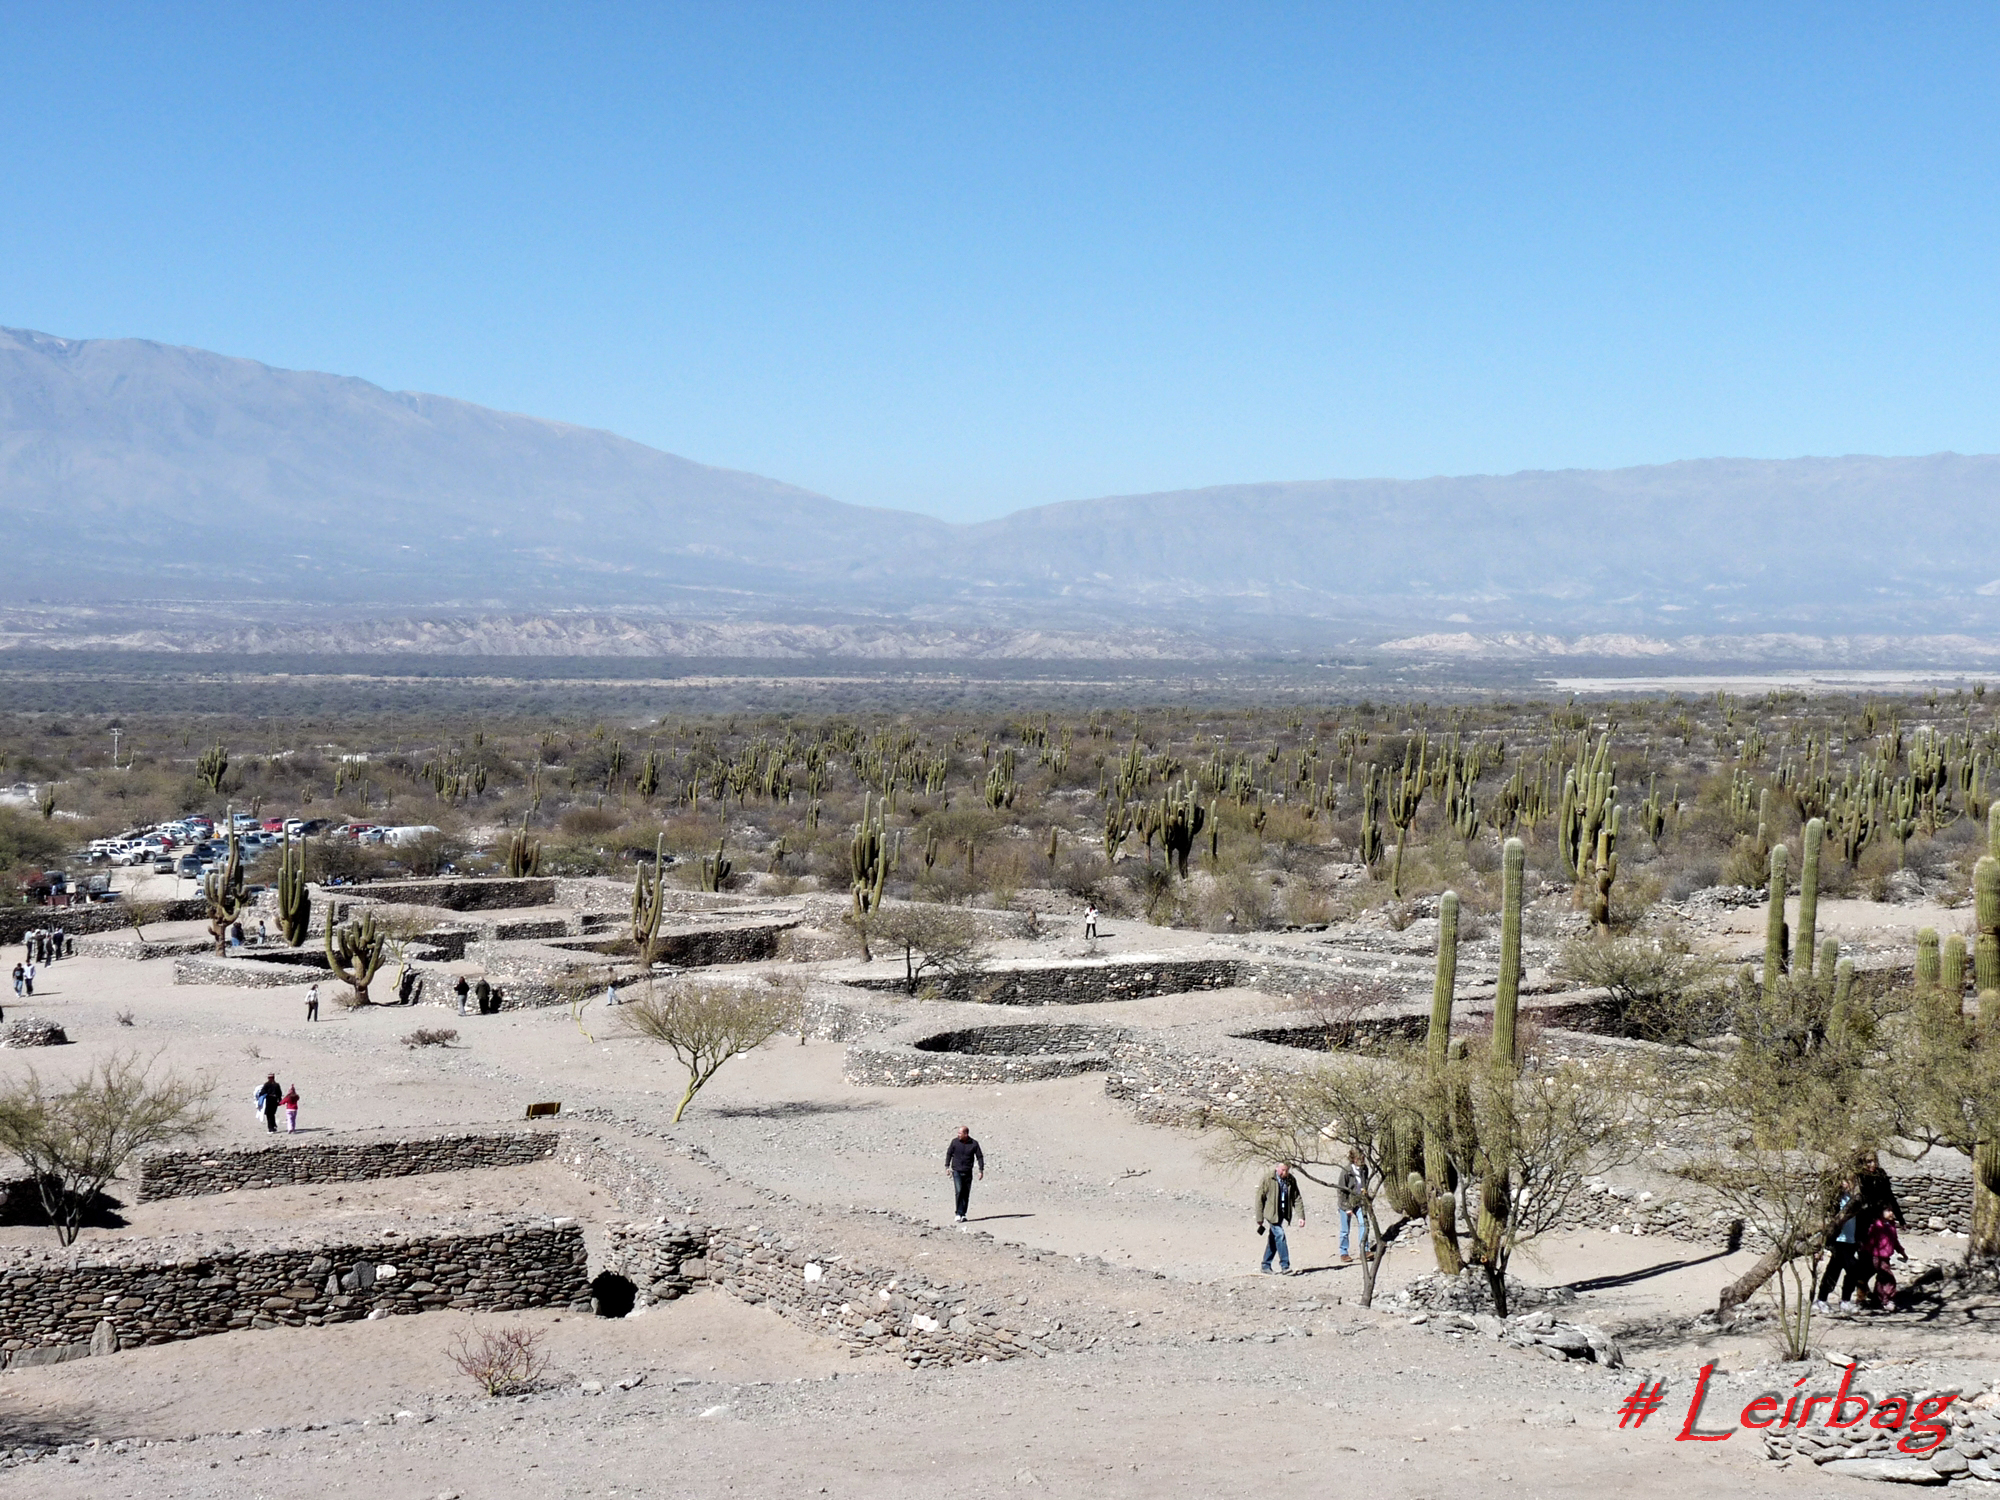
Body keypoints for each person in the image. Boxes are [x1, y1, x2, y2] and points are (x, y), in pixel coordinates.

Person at [1815, 1176, 1865, 1314]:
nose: (1848, 1184)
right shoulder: (1835, 1200)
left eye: (1851, 1181)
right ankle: (1842, 1300)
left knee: (1834, 1269)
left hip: (1851, 1240)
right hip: (1839, 1240)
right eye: (1845, 1181)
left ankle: (1824, 1299)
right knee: (1852, 1268)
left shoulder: (1856, 1199)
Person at [1255, 1162, 1305, 1274]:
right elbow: (1260, 1198)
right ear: (1277, 1168)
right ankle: (1285, 1266)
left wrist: (1301, 1216)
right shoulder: (1268, 1179)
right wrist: (1259, 1217)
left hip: (1282, 1213)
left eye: (1286, 1170)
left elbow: (1296, 1198)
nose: (1284, 1172)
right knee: (1280, 1235)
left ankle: (1265, 1265)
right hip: (1271, 1214)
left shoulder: (1291, 1180)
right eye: (1282, 1170)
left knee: (1273, 1240)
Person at [1335, 1148, 1370, 1263]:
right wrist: (1347, 1207)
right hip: (1347, 1202)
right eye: (1360, 1158)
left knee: (1364, 1224)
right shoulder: (1346, 1171)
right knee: (1345, 1229)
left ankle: (1364, 1250)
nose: (1363, 1160)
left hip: (1360, 1201)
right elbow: (1341, 1191)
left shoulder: (1364, 1169)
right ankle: (1344, 1252)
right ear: (1354, 1159)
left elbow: (1365, 1184)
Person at [945, 1125, 985, 1224]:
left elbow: (979, 1156)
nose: (958, 1135)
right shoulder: (954, 1142)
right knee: (959, 1191)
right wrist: (947, 1166)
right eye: (958, 1133)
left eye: (960, 1133)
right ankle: (958, 1213)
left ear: (966, 1134)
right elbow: (949, 1153)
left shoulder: (974, 1144)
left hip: (968, 1171)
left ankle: (963, 1214)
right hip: (957, 1171)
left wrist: (981, 1170)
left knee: (966, 1193)